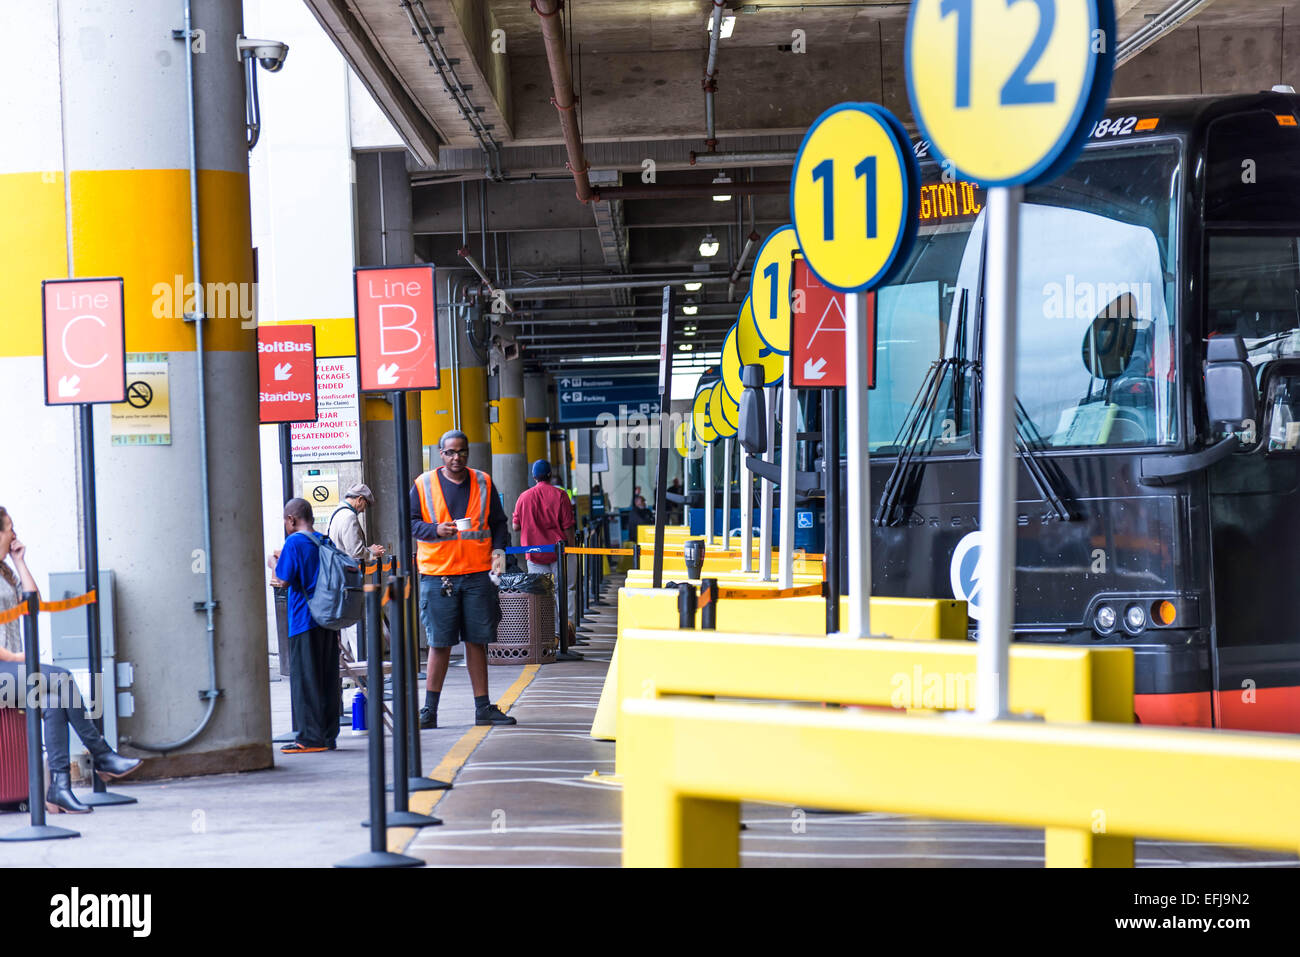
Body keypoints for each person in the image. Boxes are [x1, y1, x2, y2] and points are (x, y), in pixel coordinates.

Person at [0, 506, 140, 813]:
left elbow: (32, 601)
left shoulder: (5, 571)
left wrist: (19, 561)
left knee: (54, 702)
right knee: (61, 677)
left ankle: (59, 787)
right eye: (10, 528)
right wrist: (19, 656)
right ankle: (101, 754)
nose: (15, 533)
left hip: (13, 669)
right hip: (4, 668)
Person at [413, 430, 517, 729]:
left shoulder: (483, 481)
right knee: (439, 644)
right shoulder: (424, 484)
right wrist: (434, 530)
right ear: (440, 453)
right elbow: (410, 522)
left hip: (476, 575)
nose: (456, 457)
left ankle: (483, 708)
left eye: (461, 452)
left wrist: (498, 551)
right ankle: (429, 712)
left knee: (477, 642)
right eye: (450, 452)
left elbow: (499, 522)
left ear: (467, 453)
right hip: (438, 576)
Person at [267, 498, 340, 754]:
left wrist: (273, 563)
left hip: (303, 621)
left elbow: (282, 580)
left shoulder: (294, 542)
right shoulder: (324, 540)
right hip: (328, 620)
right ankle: (328, 734)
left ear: (291, 519)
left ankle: (309, 738)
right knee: (327, 678)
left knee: (305, 680)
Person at [511, 459, 577, 636]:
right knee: (565, 590)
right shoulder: (560, 495)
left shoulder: (523, 497)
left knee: (543, 593)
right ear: (550, 475)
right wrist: (571, 549)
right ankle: (567, 630)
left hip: (534, 555)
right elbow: (568, 526)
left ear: (533, 476)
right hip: (559, 552)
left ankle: (550, 633)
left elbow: (515, 526)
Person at [327, 483, 385, 658]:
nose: (364, 509)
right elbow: (355, 551)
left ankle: (349, 674)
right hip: (349, 580)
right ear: (360, 499)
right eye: (365, 504)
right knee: (357, 627)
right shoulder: (349, 518)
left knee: (346, 627)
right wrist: (372, 552)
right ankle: (365, 671)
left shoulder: (337, 513)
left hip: (339, 579)